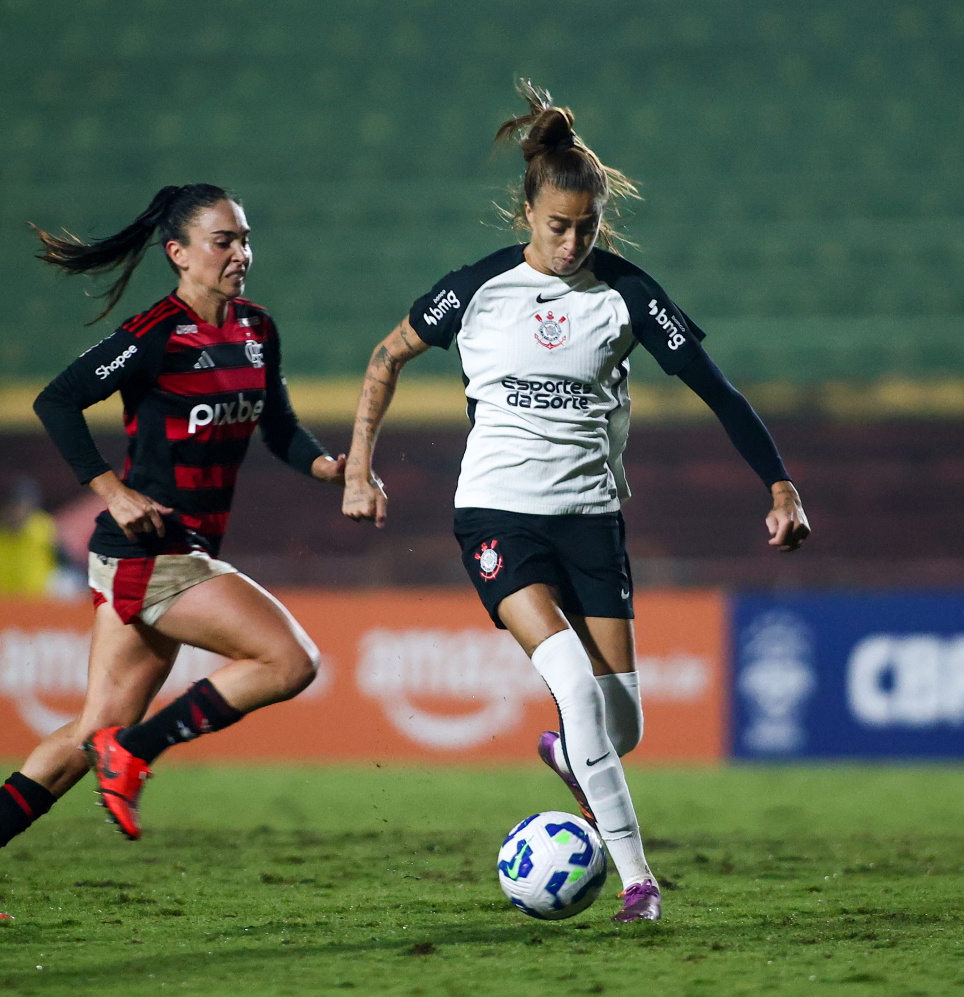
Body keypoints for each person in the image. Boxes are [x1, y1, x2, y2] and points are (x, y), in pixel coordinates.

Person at [342, 82, 810, 923]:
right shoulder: (478, 290)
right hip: (495, 515)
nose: (570, 242)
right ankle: (639, 879)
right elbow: (385, 355)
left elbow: (720, 391)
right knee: (570, 677)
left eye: (585, 227)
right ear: (527, 212)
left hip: (592, 519)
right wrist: (358, 468)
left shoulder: (626, 295)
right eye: (557, 226)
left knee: (618, 726)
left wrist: (779, 483)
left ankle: (571, 752)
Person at [0, 184, 345, 920]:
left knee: (91, 731)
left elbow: (277, 423)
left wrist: (324, 468)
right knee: (289, 660)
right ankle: (140, 748)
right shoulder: (154, 333)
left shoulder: (256, 329)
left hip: (176, 553)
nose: (240, 251)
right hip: (151, 552)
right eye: (223, 240)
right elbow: (57, 399)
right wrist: (111, 488)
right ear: (178, 254)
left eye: (245, 237)